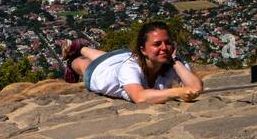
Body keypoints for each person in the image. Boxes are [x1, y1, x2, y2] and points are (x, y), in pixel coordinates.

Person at [59, 22, 203, 104]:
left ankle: (78, 47)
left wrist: (175, 61)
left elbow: (196, 87)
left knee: (108, 57)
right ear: (143, 50)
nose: (164, 48)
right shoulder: (129, 67)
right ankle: (72, 59)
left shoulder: (171, 59)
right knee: (84, 65)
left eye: (168, 43)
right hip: (99, 72)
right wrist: (177, 92)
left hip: (121, 56)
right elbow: (139, 96)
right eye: (157, 44)